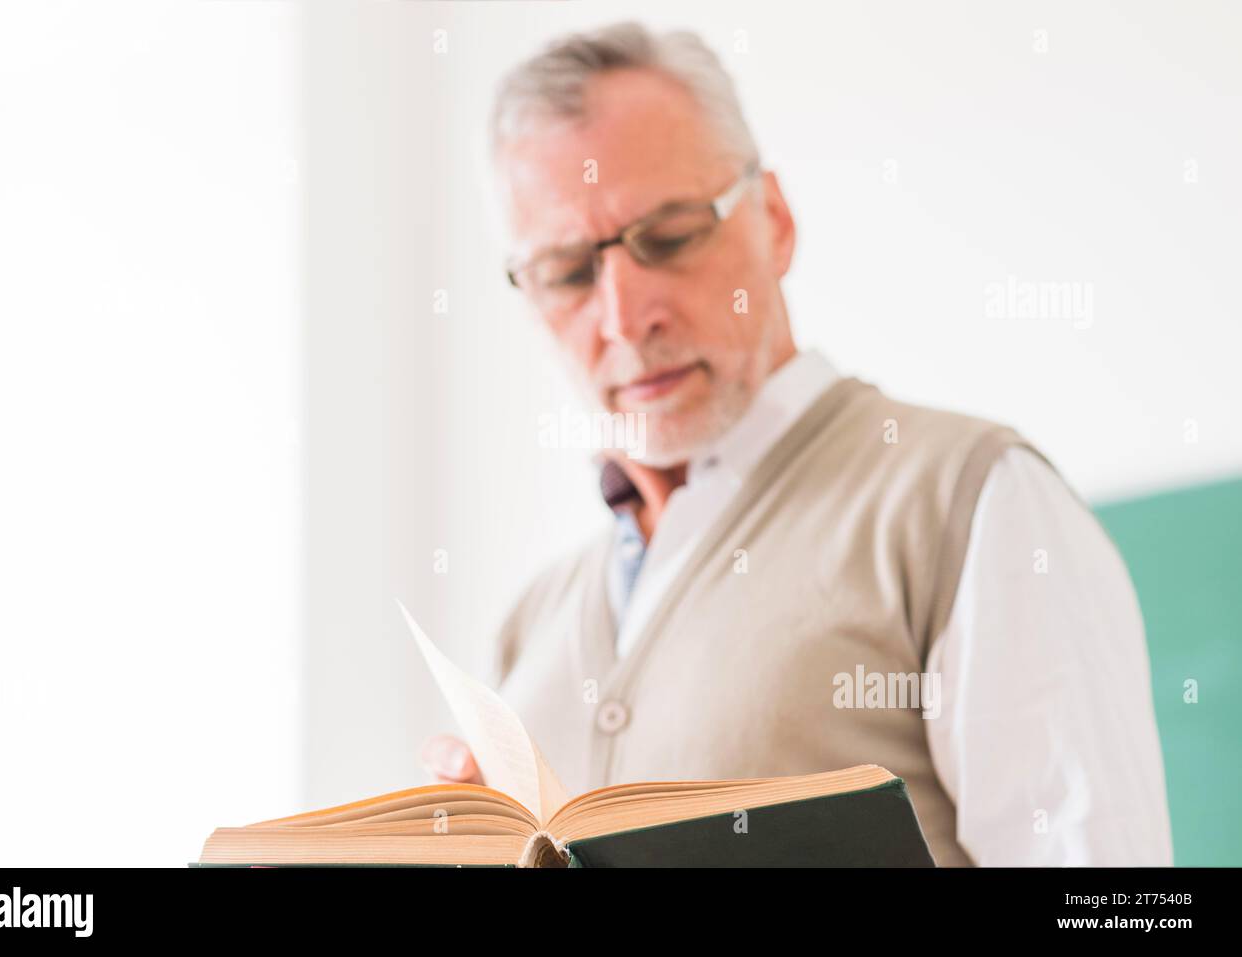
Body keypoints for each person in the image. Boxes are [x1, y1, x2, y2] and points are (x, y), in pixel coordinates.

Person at [421, 21, 1172, 866]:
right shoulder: (531, 624)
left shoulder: (972, 502)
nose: (625, 317)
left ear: (773, 220)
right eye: (565, 271)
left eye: (666, 237)